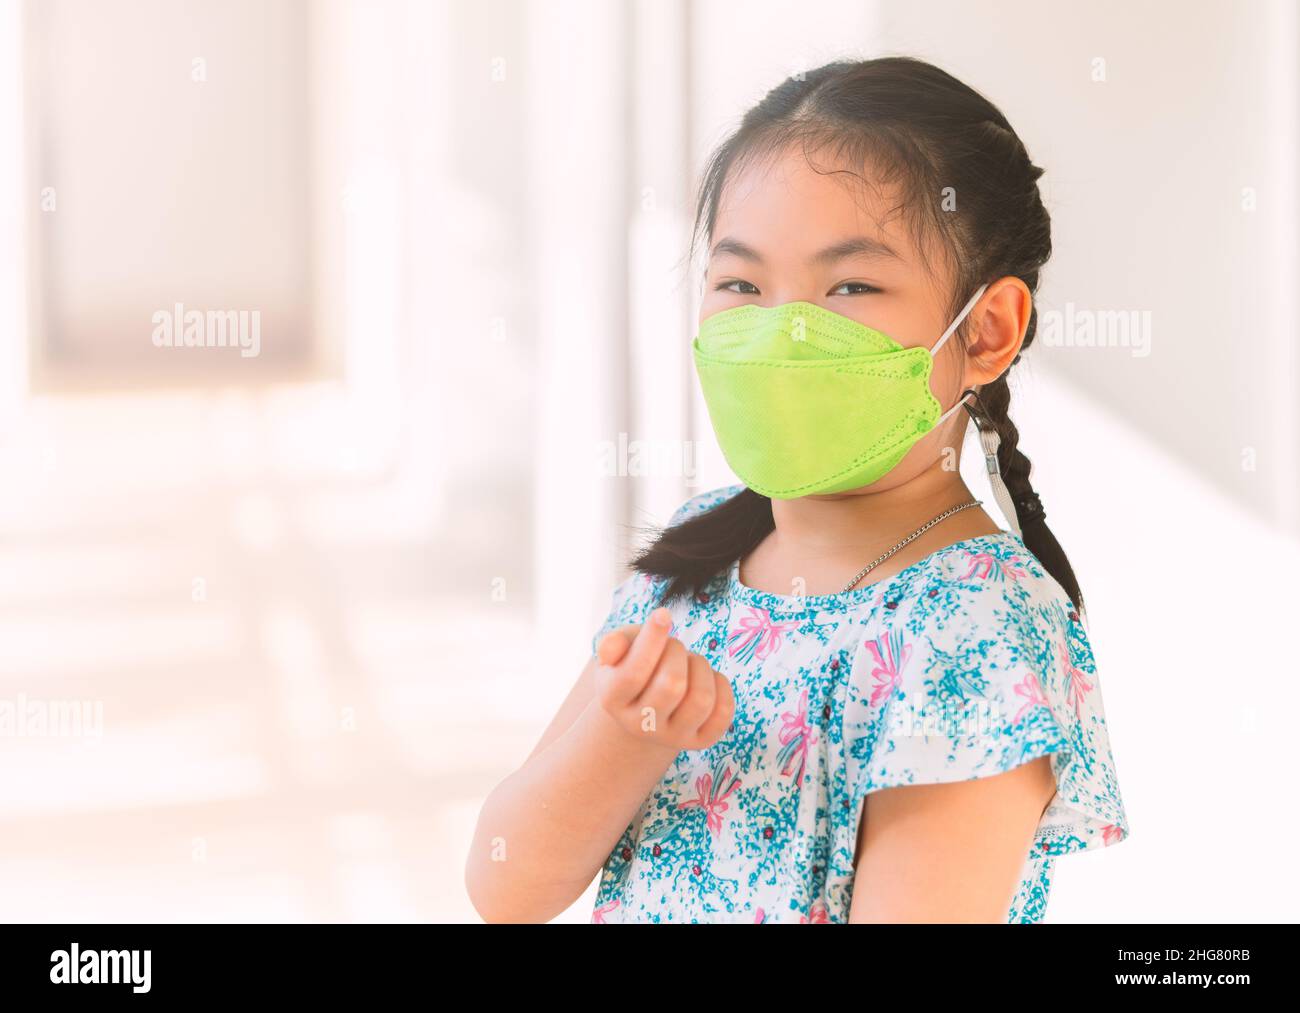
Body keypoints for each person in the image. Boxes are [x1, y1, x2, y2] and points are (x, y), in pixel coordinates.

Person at [465, 55, 1130, 924]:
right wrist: (622, 737)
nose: (782, 332)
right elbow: (505, 886)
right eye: (741, 283)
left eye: (850, 286)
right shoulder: (695, 559)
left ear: (986, 332)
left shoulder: (979, 628)